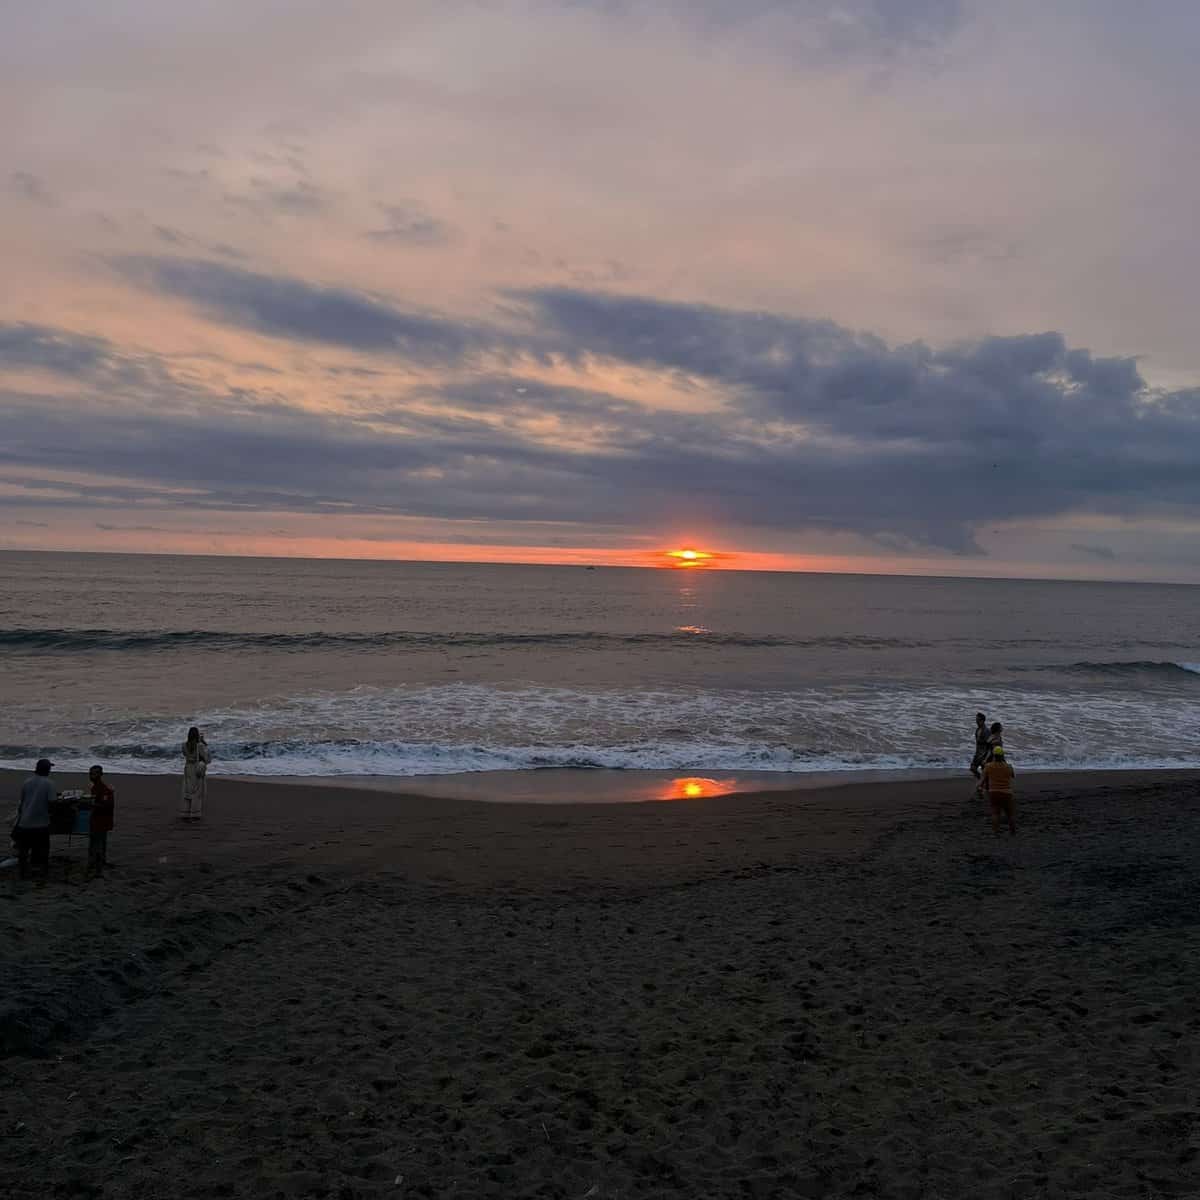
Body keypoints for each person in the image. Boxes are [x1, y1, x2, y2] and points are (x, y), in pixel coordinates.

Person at [12, 758, 55, 883]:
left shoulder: (27, 782)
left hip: (24, 823)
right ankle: (40, 874)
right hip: (41, 823)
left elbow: (22, 803)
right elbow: (52, 803)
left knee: (24, 850)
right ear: (47, 770)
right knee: (42, 851)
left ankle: (23, 873)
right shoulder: (49, 783)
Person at [980, 744, 1016, 836]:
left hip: (993, 792)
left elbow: (982, 780)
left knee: (995, 813)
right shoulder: (1009, 766)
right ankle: (1012, 832)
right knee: (1010, 814)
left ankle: (996, 832)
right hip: (1007, 792)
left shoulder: (988, 766)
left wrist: (979, 788)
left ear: (994, 755)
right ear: (1003, 755)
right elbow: (1013, 776)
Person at [87, 764, 115, 878]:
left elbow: (107, 805)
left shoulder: (103, 789)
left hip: (101, 819)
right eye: (90, 773)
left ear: (100, 775)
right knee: (98, 841)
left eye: (94, 773)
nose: (91, 776)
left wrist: (91, 804)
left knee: (97, 841)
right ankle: (98, 862)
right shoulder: (95, 787)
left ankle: (97, 865)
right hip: (97, 818)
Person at [180, 727, 210, 822]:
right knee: (197, 792)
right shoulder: (200, 745)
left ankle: (185, 812)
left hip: (188, 768)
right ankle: (195, 814)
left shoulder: (184, 745)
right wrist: (204, 744)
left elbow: (185, 755)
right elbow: (207, 759)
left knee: (187, 792)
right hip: (196, 769)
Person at [969, 712, 989, 778]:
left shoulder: (986, 731)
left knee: (984, 771)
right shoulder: (977, 730)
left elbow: (988, 744)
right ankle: (981, 780)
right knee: (972, 768)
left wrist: (986, 758)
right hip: (978, 754)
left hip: (984, 755)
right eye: (976, 720)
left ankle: (983, 783)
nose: (976, 722)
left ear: (982, 721)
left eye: (978, 720)